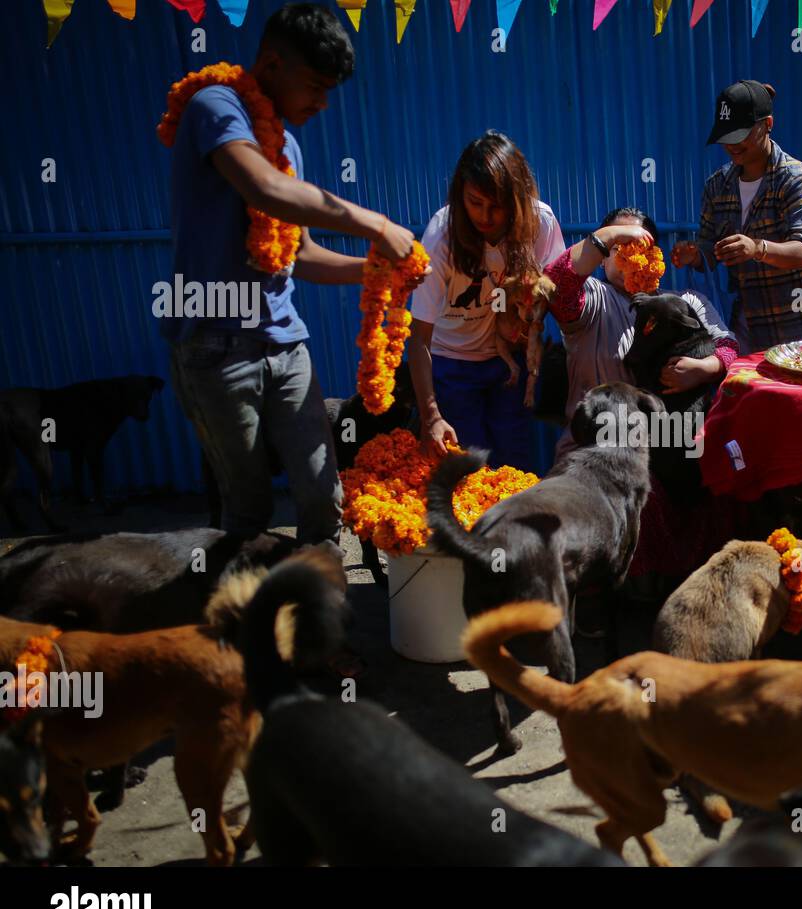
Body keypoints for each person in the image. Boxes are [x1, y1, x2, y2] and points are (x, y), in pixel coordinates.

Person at [164, 4, 424, 545]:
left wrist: (379, 269)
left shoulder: (287, 147)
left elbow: (300, 256)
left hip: (287, 344)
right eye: (314, 84)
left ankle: (319, 617)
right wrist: (375, 225)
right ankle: (246, 621)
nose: (321, 102)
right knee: (249, 507)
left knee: (322, 494)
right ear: (272, 63)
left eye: (330, 89)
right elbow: (265, 190)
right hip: (217, 346)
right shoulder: (216, 107)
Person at [409, 132, 565, 470]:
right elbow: (418, 337)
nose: (484, 216)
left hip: (510, 363)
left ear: (518, 199)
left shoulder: (541, 223)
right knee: (470, 469)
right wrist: (431, 416)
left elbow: (560, 293)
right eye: (474, 202)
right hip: (452, 364)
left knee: (514, 467)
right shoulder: (442, 235)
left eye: (497, 205)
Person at [542, 207, 739, 458]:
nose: (630, 255)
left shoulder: (686, 301)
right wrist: (610, 234)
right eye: (619, 247)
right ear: (602, 257)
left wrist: (705, 369)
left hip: (671, 452)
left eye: (641, 248)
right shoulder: (591, 299)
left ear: (656, 256)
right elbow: (556, 285)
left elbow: (728, 345)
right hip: (597, 453)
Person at [671, 80, 802, 353]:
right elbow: (710, 249)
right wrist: (695, 255)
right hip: (746, 320)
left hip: (796, 321)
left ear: (768, 124)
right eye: (726, 136)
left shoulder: (796, 180)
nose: (732, 144)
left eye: (741, 134)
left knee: (794, 393)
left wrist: (757, 248)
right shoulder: (716, 186)